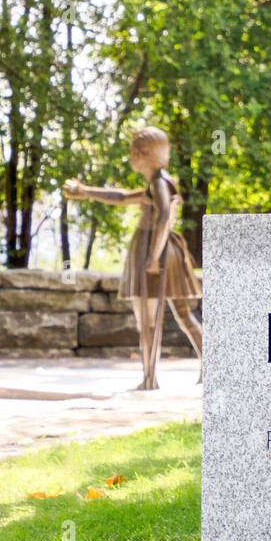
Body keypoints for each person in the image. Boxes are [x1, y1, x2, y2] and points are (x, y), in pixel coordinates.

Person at [63, 126, 204, 390]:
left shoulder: (160, 182)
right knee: (182, 315)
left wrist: (152, 256)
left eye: (133, 152)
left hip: (156, 253)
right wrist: (85, 190)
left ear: (142, 154)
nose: (131, 156)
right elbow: (122, 197)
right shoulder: (158, 182)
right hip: (166, 252)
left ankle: (149, 378)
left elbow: (163, 216)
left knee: (148, 320)